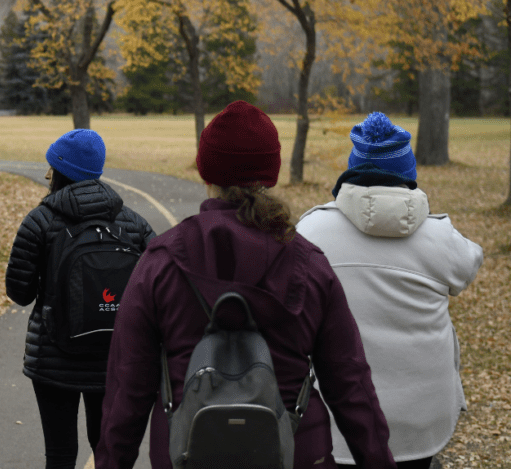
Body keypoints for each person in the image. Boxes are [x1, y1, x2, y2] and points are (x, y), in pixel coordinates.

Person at [95, 100, 397, 469]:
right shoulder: (309, 264)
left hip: (186, 453)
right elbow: (351, 385)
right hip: (295, 451)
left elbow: (126, 389)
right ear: (271, 173)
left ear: (207, 173)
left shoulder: (160, 262)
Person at [296, 112, 483, 469]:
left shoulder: (311, 231)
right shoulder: (440, 237)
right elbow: (469, 264)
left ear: (351, 171)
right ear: (408, 174)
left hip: (340, 420)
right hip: (424, 417)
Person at [5, 129, 156, 469]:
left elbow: (19, 293)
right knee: (107, 450)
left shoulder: (39, 221)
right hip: (114, 357)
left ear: (60, 170)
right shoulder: (134, 223)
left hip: (53, 358)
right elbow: (154, 290)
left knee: (59, 453)